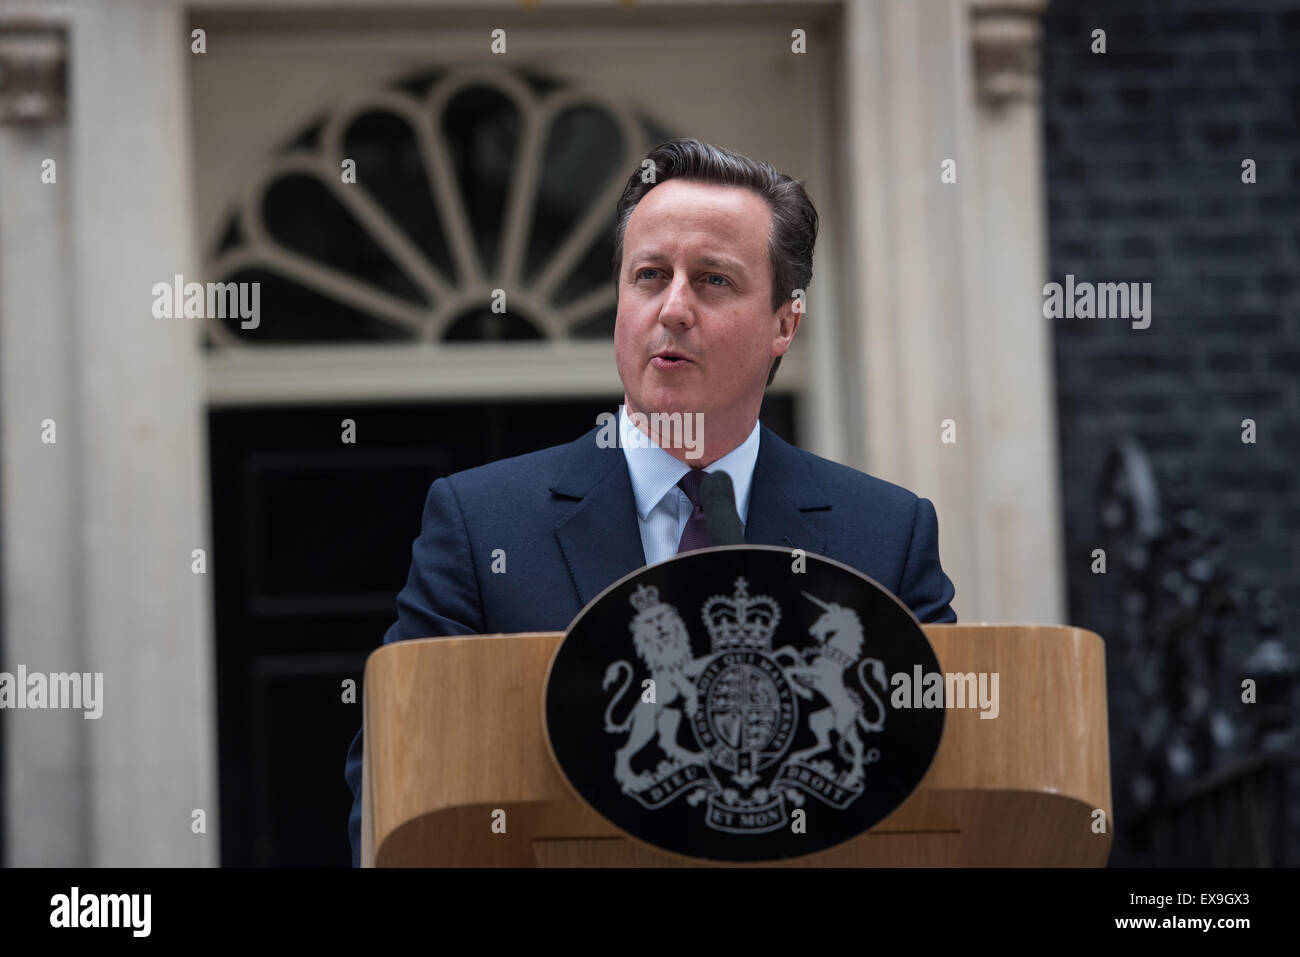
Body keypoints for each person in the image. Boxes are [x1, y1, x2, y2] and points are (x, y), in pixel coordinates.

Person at [344, 138, 956, 866]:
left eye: (713, 281)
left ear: (785, 324)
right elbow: (396, 774)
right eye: (649, 276)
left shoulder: (887, 534)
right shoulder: (481, 525)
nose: (673, 309)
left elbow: (944, 780)